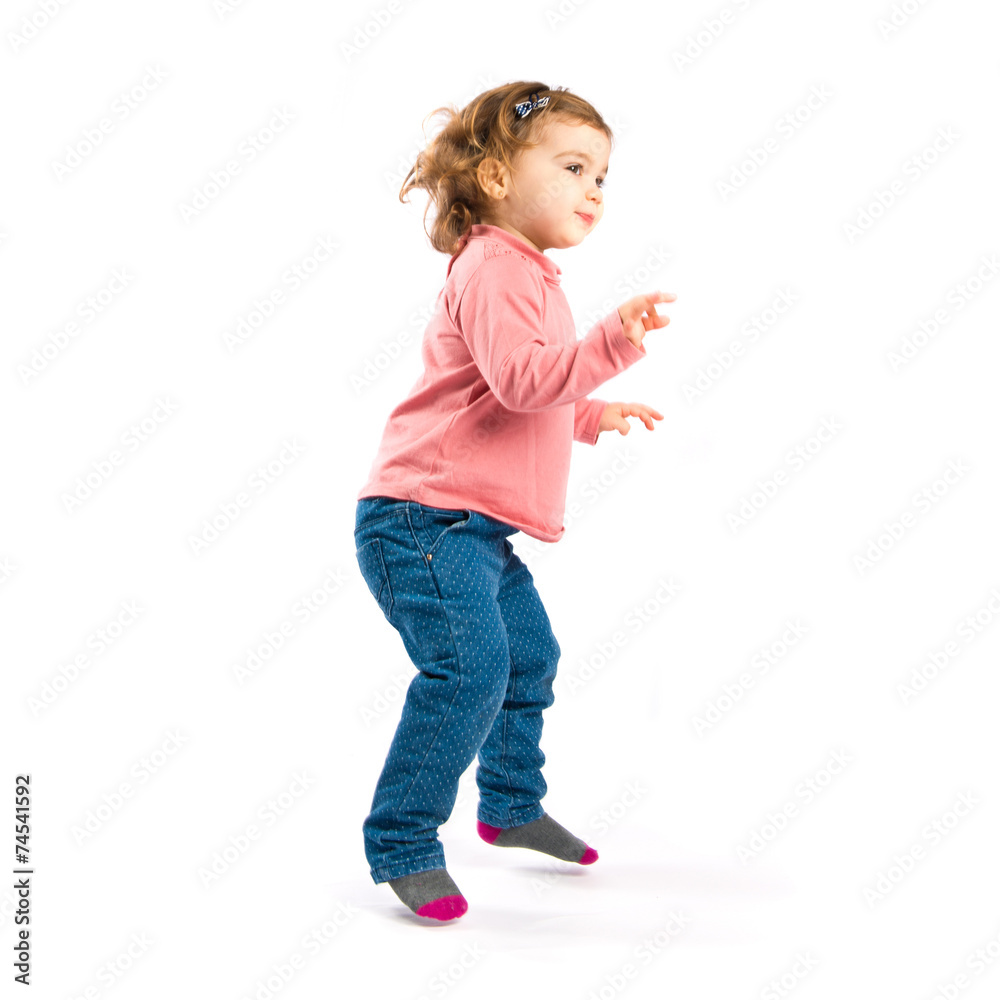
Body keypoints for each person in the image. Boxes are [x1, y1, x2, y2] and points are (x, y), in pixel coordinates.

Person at [353, 81, 675, 921]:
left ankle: (508, 805)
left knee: (529, 657)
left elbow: (522, 396)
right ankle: (403, 840)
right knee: (470, 670)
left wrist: (593, 413)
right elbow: (524, 382)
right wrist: (611, 343)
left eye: (602, 176)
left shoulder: (526, 273)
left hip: (472, 529)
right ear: (496, 176)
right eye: (572, 168)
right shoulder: (495, 268)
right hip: (423, 519)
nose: (593, 190)